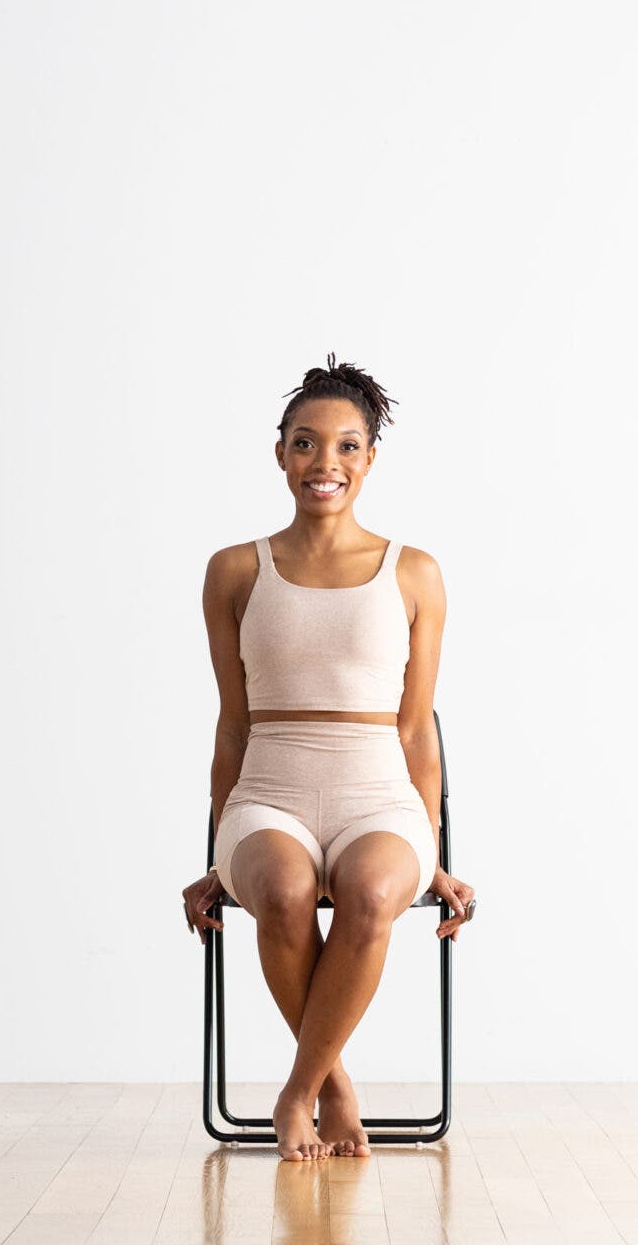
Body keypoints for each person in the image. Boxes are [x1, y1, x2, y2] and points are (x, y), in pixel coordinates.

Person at [180, 354, 478, 1160]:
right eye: (306, 443)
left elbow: (416, 731)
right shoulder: (235, 570)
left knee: (374, 892)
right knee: (280, 892)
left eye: (348, 446)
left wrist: (433, 858)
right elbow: (232, 725)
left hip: (378, 796)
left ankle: (297, 1091)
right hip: (267, 791)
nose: (326, 463)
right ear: (281, 453)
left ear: (370, 458)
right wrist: (221, 855)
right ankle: (334, 1086)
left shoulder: (414, 572)